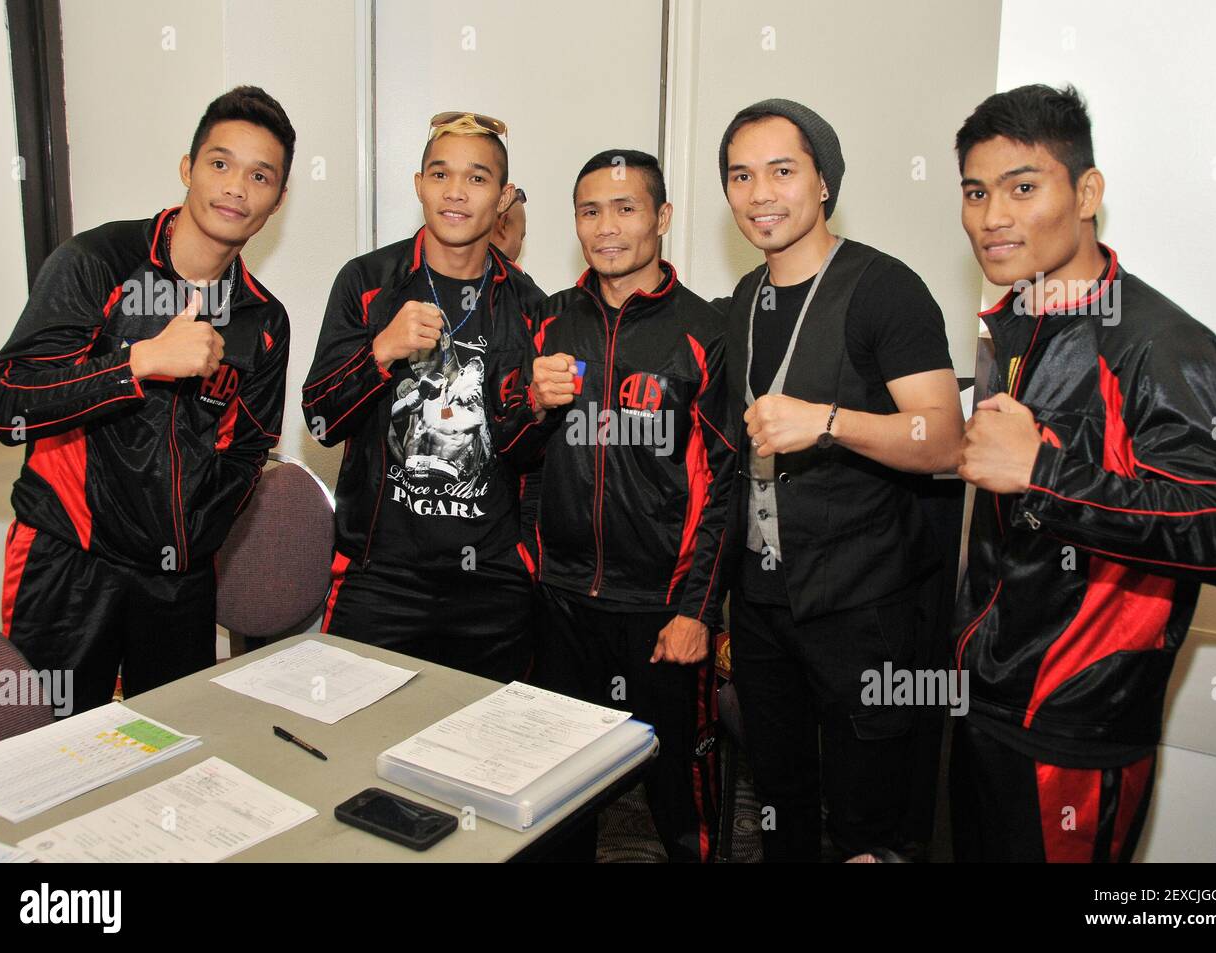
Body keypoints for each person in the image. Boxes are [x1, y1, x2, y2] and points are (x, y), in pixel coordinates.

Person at [950, 84, 1216, 862]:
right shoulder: (1013, 322)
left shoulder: (1158, 341)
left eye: (1024, 188)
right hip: (983, 699)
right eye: (977, 192)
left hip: (1076, 724)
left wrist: (1044, 472)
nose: (993, 217)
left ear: (1086, 193)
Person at [0, 86, 294, 714]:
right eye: (219, 163)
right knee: (48, 763)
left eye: (259, 175)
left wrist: (195, 538)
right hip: (68, 563)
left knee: (173, 762)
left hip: (178, 579)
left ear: (277, 200)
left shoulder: (262, 317)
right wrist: (139, 363)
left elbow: (250, 448)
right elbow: (8, 401)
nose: (236, 186)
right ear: (187, 169)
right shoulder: (96, 263)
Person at [716, 99, 963, 861]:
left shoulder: (885, 288)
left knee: (867, 822)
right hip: (762, 605)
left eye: (782, 171)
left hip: (864, 606)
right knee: (780, 802)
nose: (760, 193)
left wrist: (829, 421)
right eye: (741, 175)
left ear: (824, 182)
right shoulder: (739, 306)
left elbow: (946, 439)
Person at [524, 150, 734, 862]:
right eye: (590, 210)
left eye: (625, 208)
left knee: (682, 797)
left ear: (662, 217)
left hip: (659, 611)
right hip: (558, 603)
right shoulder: (545, 323)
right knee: (558, 795)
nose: (606, 227)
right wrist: (523, 401)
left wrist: (697, 611)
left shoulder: (707, 333)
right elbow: (510, 453)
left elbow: (726, 487)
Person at [303, 112, 544, 681]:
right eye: (440, 175)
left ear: (504, 197)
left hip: (491, 579)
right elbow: (319, 421)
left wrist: (537, 408)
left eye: (477, 179)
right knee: (350, 742)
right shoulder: (368, 282)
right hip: (382, 575)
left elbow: (529, 453)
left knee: (488, 757)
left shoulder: (529, 303)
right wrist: (380, 352)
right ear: (419, 185)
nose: (455, 192)